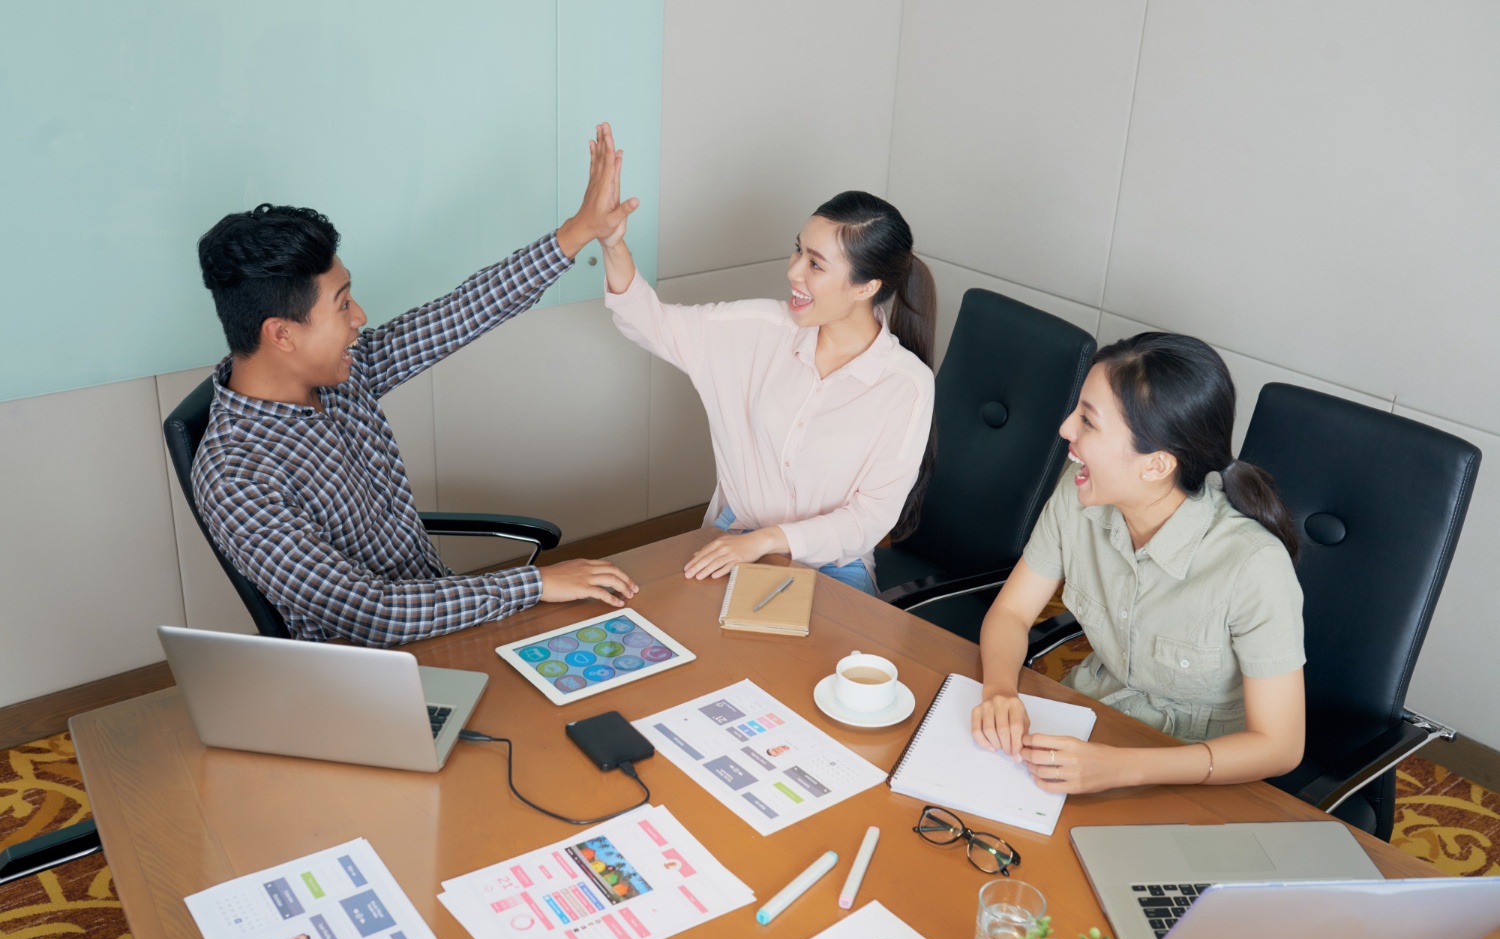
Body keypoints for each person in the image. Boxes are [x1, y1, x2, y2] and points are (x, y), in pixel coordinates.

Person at [192, 131, 640, 647]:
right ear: (282, 334)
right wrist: (534, 583)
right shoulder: (236, 476)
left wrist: (579, 230)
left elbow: (458, 314)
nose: (359, 317)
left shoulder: (339, 375)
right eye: (341, 305)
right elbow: (373, 614)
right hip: (378, 673)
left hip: (450, 622)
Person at [592, 124, 936, 595]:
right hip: (734, 537)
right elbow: (648, 320)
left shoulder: (907, 385)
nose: (793, 270)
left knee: (823, 667)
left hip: (835, 565)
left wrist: (770, 541)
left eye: (815, 264)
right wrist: (611, 242)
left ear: (865, 286)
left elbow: (869, 519)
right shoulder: (757, 328)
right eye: (798, 249)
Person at [971, 332, 1306, 793]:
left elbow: (1280, 746)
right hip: (1095, 722)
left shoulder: (1253, 566)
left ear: (1156, 465)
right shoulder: (1078, 494)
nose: (1066, 429)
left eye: (1088, 422)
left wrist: (1124, 768)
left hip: (1198, 773)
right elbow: (1011, 612)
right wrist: (1000, 690)